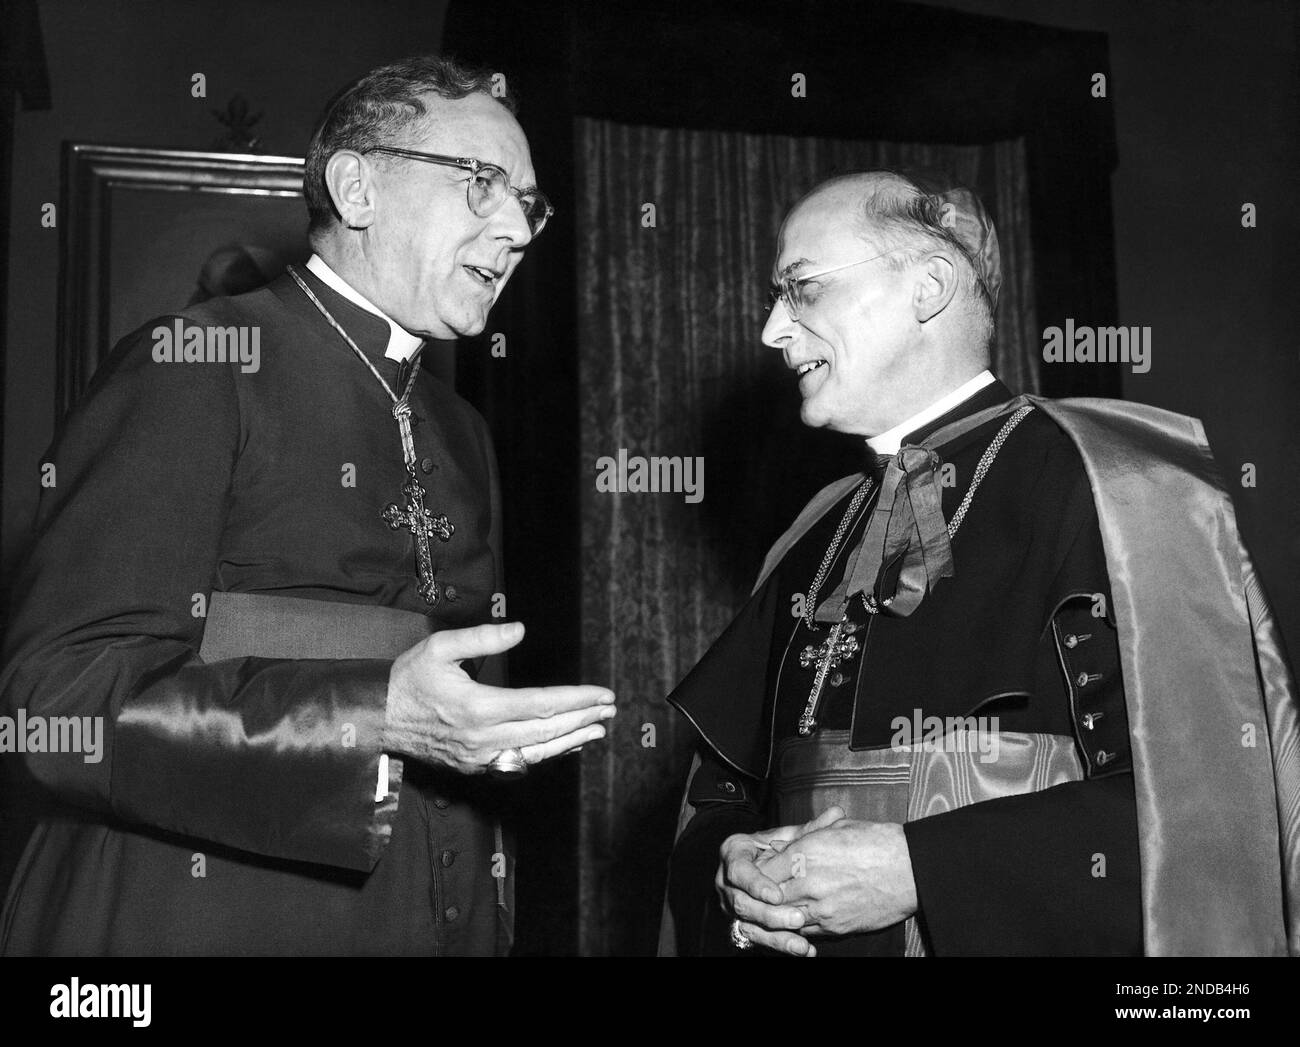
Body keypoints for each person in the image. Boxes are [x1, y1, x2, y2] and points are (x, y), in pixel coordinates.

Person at [0, 54, 615, 956]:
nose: (519, 227)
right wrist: (365, 717)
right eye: (484, 183)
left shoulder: (462, 426)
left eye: (531, 202)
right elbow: (57, 697)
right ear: (357, 186)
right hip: (196, 910)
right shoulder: (195, 363)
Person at [662, 171, 1299, 957]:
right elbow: (719, 795)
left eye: (802, 289)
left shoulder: (1122, 484)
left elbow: (1210, 813)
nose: (771, 330)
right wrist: (734, 870)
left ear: (929, 286)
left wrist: (923, 868)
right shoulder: (814, 530)